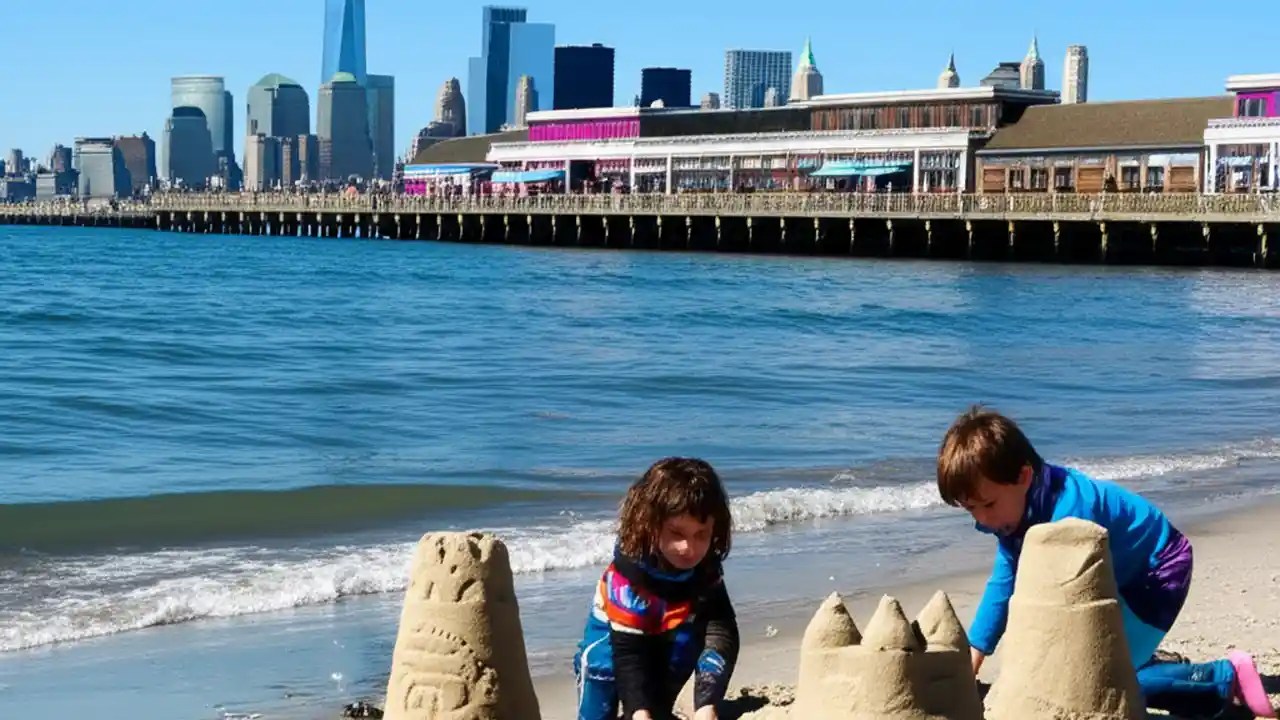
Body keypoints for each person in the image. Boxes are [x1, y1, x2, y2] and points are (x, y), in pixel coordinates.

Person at [937, 405, 1276, 719]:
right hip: (1120, 574)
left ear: (1023, 477)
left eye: (987, 504)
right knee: (1097, 669)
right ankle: (1212, 695)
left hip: (1158, 569)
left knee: (1100, 680)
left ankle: (1224, 676)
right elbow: (1005, 577)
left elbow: (1065, 603)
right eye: (971, 510)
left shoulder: (1070, 515)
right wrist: (976, 650)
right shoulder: (1014, 513)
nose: (981, 519)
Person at [573, 457, 739, 720]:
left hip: (671, 632)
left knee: (686, 646)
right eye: (677, 533)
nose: (689, 548)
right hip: (615, 639)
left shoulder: (704, 566)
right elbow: (628, 653)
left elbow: (721, 628)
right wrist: (638, 711)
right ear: (650, 523)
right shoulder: (629, 575)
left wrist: (708, 702)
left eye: (701, 534)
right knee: (602, 674)